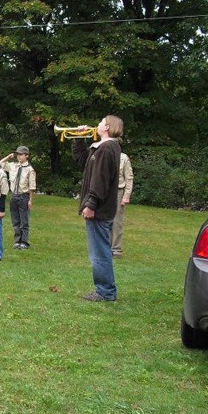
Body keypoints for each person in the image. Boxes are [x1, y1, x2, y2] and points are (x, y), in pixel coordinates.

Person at [72, 115, 123, 301]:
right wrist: (79, 139)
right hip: (102, 208)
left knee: (99, 252)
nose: (97, 124)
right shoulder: (104, 148)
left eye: (100, 122)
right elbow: (82, 162)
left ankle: (105, 291)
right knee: (101, 250)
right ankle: (106, 290)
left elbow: (100, 180)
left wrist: (91, 204)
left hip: (99, 209)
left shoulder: (106, 148)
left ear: (108, 127)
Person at [5, 145, 36, 250]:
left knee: (24, 220)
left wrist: (30, 201)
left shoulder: (30, 169)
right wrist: (9, 157)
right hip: (14, 195)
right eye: (17, 154)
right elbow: (0, 164)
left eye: (21, 154)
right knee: (15, 220)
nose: (18, 156)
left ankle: (24, 241)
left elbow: (32, 187)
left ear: (26, 156)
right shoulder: (13, 166)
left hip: (24, 196)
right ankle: (17, 240)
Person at [111, 152, 134, 258]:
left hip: (118, 192)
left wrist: (126, 196)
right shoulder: (102, 153)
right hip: (104, 191)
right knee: (103, 221)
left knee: (117, 222)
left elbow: (129, 178)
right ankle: (104, 248)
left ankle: (116, 250)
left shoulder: (123, 157)